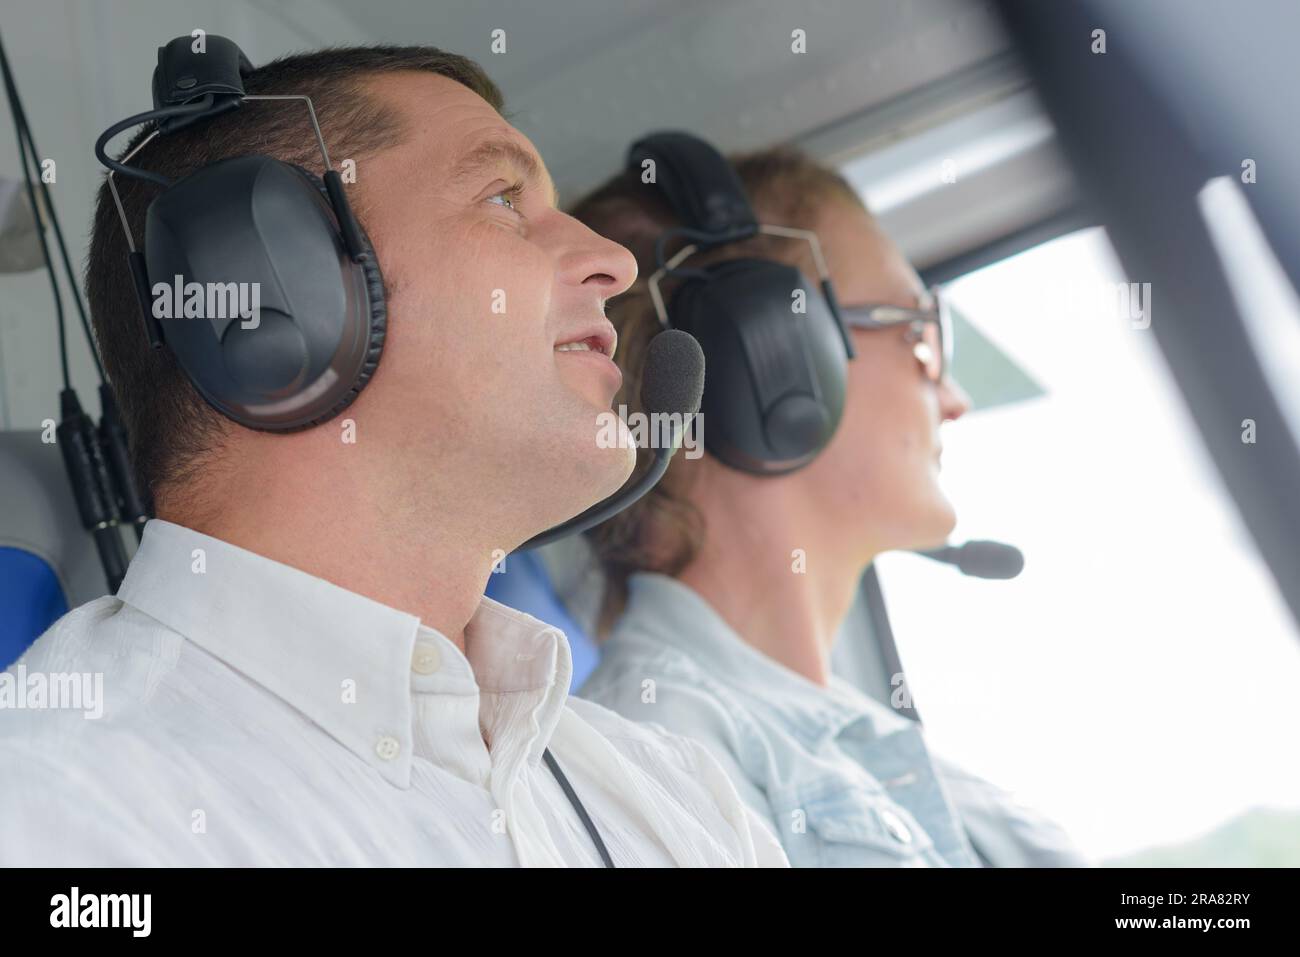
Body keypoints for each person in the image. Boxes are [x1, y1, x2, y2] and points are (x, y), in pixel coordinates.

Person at [0, 43, 787, 867]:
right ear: (273, 282)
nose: (617, 264)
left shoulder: (682, 798)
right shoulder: (65, 813)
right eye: (503, 199)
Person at [571, 140, 1087, 867]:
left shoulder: (887, 756)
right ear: (772, 356)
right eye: (916, 331)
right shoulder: (659, 767)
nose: (955, 399)